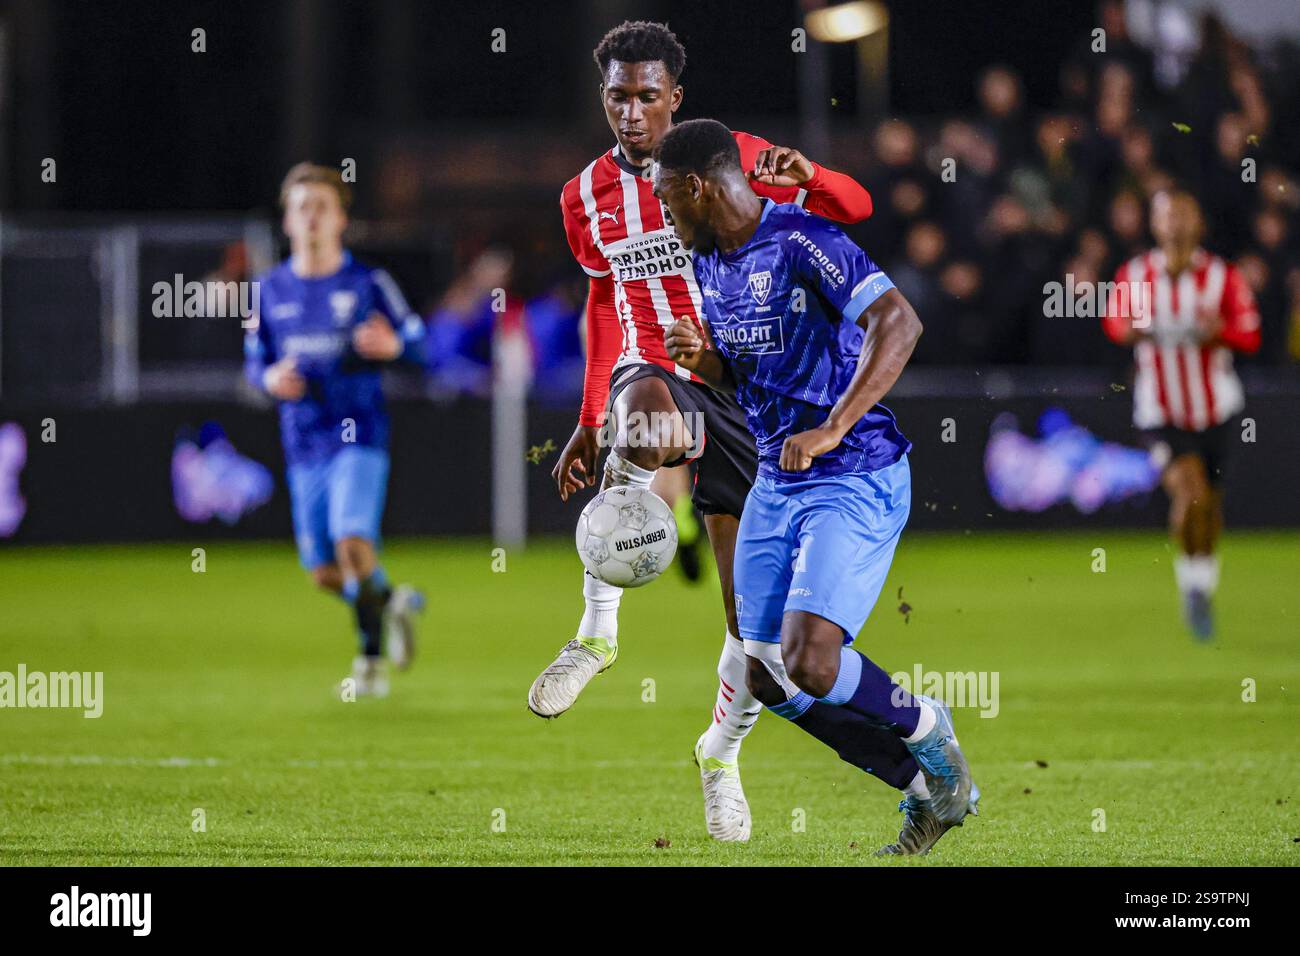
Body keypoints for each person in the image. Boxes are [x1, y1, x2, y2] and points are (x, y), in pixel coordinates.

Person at [531, 20, 917, 845]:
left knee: (759, 644)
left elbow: (854, 208)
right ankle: (596, 635)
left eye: (645, 96)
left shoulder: (728, 157)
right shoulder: (583, 199)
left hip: (746, 389)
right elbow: (605, 301)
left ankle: (720, 755)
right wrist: (590, 417)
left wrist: (814, 176)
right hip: (657, 367)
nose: (629, 113)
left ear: (675, 97)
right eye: (615, 97)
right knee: (645, 421)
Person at [656, 118, 979, 855]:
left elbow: (898, 322)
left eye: (672, 206)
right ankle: (927, 793)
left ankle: (929, 725)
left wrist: (833, 426)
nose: (672, 224)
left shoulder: (803, 239)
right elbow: (751, 382)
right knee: (765, 673)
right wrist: (706, 363)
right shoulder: (710, 265)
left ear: (699, 188)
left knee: (810, 659)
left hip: (854, 471)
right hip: (778, 478)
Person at [244, 163, 427, 696]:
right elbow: (255, 365)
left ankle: (369, 663)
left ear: (342, 219)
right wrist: (271, 378)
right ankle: (388, 601)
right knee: (324, 572)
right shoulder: (268, 290)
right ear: (287, 220)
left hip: (358, 433)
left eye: (322, 206)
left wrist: (396, 348)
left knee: (352, 539)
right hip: (303, 441)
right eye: (302, 207)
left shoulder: (368, 284)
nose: (312, 217)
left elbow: (421, 342)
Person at [1103, 187, 1261, 638]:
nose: (1174, 223)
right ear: (1154, 224)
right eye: (1166, 215)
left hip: (1216, 407)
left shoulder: (1222, 276)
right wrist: (1131, 332)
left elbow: (1250, 333)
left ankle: (1200, 582)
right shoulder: (1135, 274)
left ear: (1199, 224)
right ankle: (1190, 588)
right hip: (1161, 409)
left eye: (1183, 214)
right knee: (1188, 491)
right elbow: (1115, 324)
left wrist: (1220, 333)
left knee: (1209, 505)